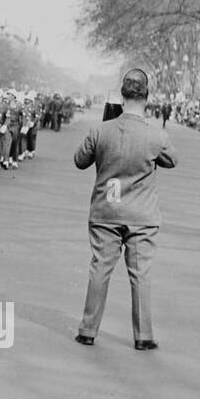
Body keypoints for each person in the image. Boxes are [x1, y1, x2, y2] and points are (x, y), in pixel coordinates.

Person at [73, 67, 177, 350]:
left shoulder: (101, 130)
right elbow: (171, 161)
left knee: (99, 269)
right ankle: (143, 336)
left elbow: (80, 160)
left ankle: (87, 329)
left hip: (106, 211)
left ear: (122, 95)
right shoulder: (155, 135)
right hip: (142, 215)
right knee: (140, 274)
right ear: (146, 97)